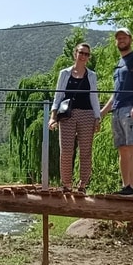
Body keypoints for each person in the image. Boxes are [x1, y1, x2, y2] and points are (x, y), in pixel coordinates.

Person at [99, 28, 133, 196]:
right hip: (117, 110)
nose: (121, 40)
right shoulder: (119, 64)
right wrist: (102, 112)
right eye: (118, 38)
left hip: (131, 109)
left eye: (124, 37)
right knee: (122, 148)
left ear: (130, 39)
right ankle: (125, 186)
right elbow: (116, 93)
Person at [49, 43, 102, 193]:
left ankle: (83, 184)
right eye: (81, 53)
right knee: (66, 150)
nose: (84, 56)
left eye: (87, 54)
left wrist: (97, 117)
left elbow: (94, 97)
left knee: (85, 151)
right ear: (75, 54)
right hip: (67, 115)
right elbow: (58, 95)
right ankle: (67, 184)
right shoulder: (64, 73)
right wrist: (53, 117)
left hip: (87, 114)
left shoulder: (91, 75)